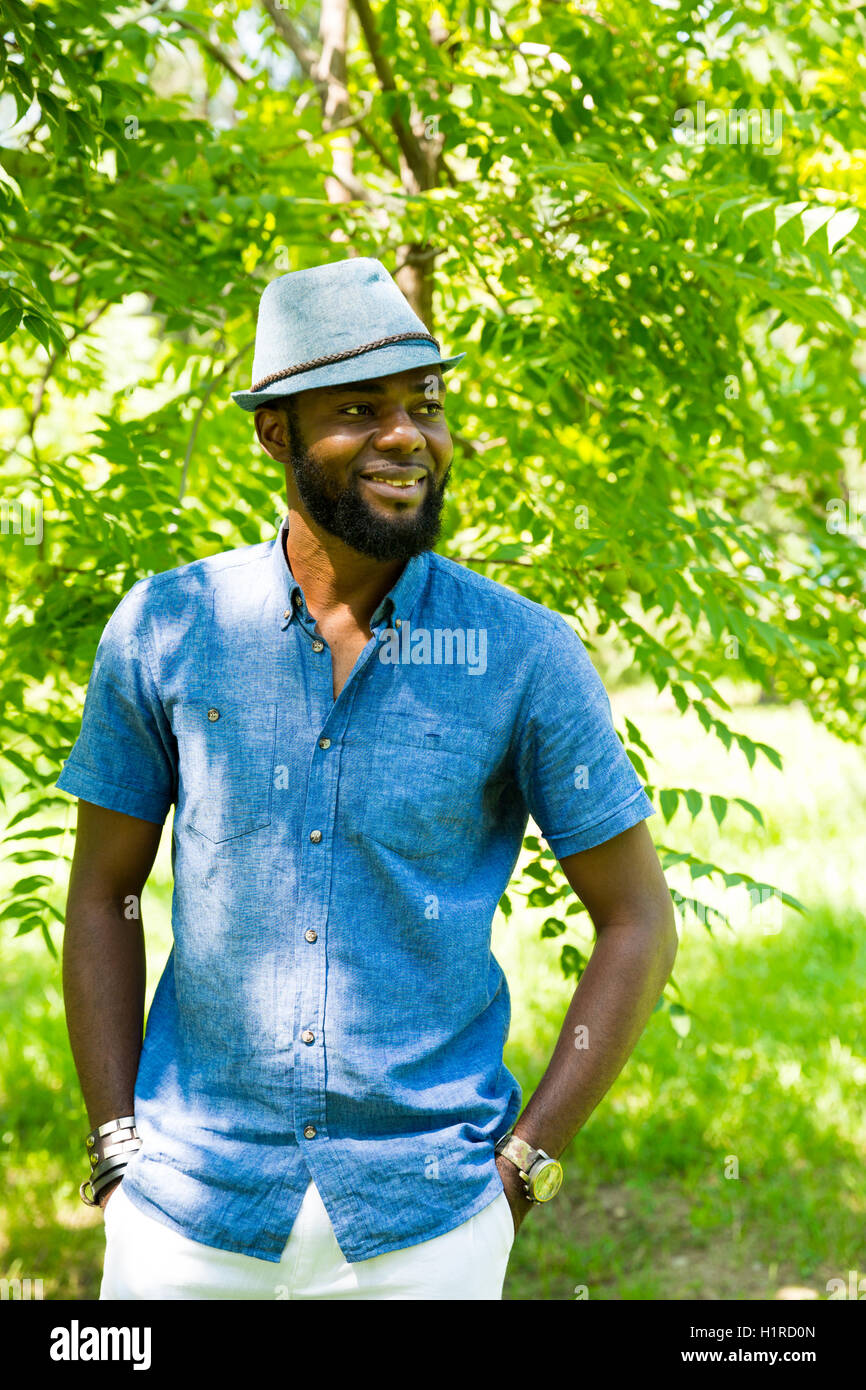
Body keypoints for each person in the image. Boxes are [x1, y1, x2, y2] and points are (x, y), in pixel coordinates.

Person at [58, 256, 677, 1300]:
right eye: (358, 408)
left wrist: (522, 1168)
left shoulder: (522, 655)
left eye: (424, 403)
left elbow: (637, 922)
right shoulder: (167, 628)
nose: (407, 435)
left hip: (427, 1221)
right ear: (274, 434)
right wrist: (117, 1147)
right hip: (186, 1214)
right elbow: (101, 892)